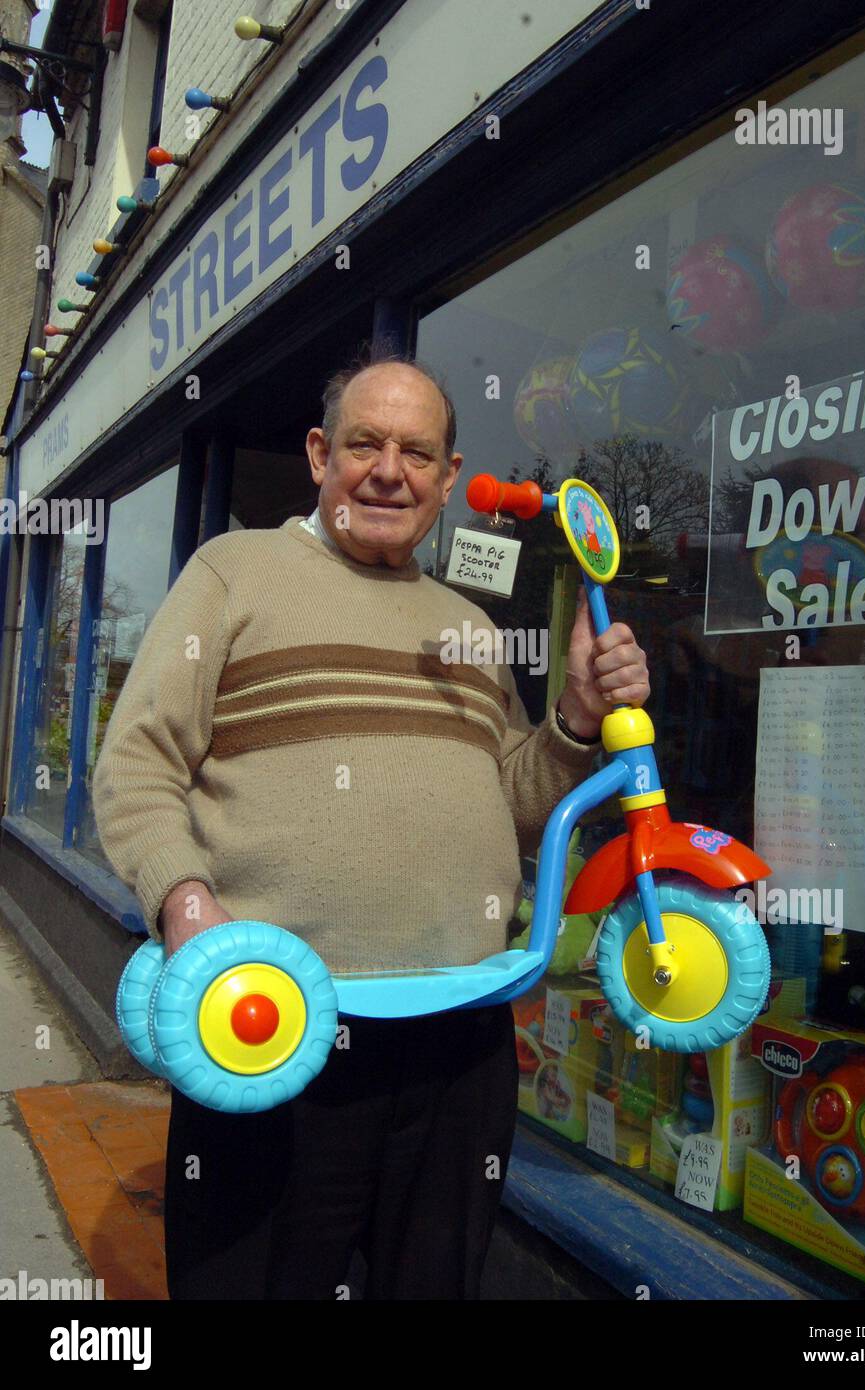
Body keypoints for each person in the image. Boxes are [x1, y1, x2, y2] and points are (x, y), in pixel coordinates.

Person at [92, 358, 650, 1300]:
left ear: (446, 473)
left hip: (460, 1043)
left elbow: (513, 802)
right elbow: (137, 761)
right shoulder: (233, 573)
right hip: (279, 1037)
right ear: (320, 455)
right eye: (365, 444)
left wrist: (577, 722)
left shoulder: (471, 624)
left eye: (417, 453)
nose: (389, 471)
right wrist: (185, 906)